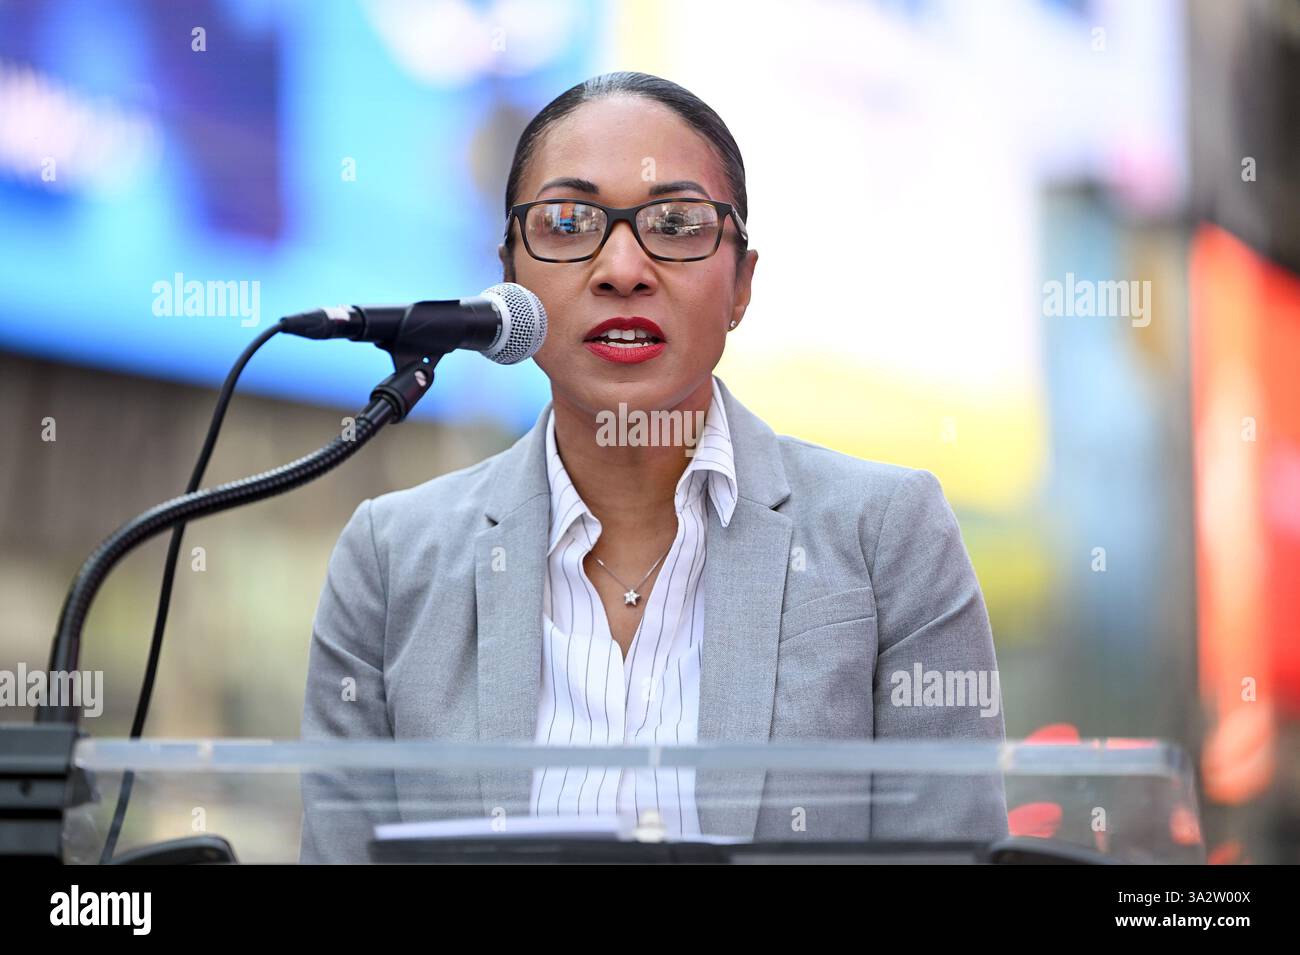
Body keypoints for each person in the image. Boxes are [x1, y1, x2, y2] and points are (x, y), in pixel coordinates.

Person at [299, 72, 1006, 863]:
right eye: (568, 222)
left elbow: (952, 851)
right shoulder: (390, 560)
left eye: (675, 223)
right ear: (509, 278)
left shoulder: (890, 535)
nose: (623, 268)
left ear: (741, 283)